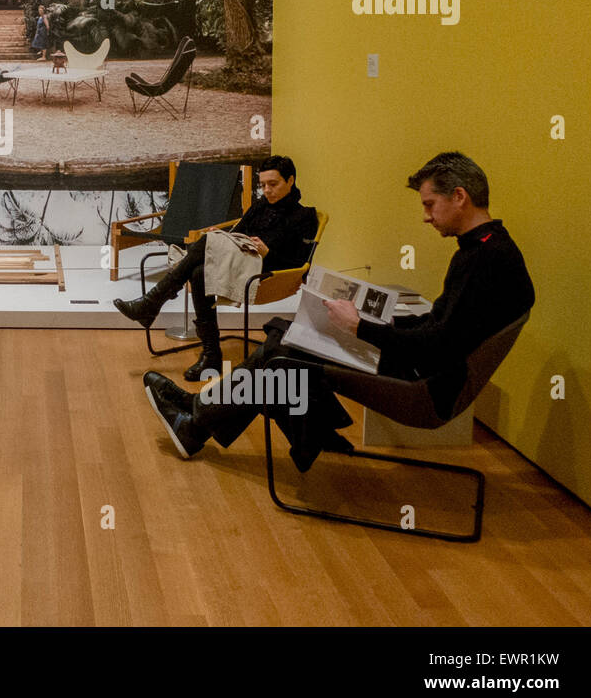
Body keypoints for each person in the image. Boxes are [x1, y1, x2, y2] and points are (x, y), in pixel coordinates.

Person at [142, 151, 535, 470]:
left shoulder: (484, 260)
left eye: (430, 204)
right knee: (286, 333)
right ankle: (199, 414)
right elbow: (441, 326)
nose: (426, 216)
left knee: (282, 355)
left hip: (426, 388)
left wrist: (361, 328)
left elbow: (436, 344)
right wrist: (378, 320)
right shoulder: (487, 248)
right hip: (423, 368)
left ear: (459, 196)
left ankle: (197, 422)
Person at [114, 156, 317, 382]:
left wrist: (267, 253)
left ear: (291, 181)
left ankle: (152, 303)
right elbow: (238, 233)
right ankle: (211, 354)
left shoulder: (305, 216)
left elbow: (300, 264)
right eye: (263, 185)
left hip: (266, 273)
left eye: (273, 184)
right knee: (199, 271)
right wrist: (223, 238)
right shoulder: (260, 206)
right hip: (238, 262)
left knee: (205, 246)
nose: (267, 190)